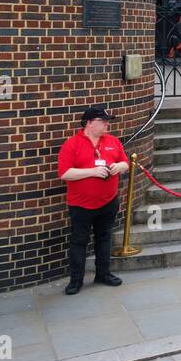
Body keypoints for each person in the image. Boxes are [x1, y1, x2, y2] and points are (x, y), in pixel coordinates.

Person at [57, 105, 130, 295]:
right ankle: (76, 280)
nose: (107, 124)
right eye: (102, 121)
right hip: (81, 204)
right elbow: (65, 173)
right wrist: (92, 171)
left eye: (107, 121)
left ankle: (103, 274)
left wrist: (118, 167)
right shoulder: (72, 144)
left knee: (104, 238)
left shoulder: (113, 141)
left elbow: (125, 162)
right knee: (79, 242)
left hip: (108, 201)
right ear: (88, 123)